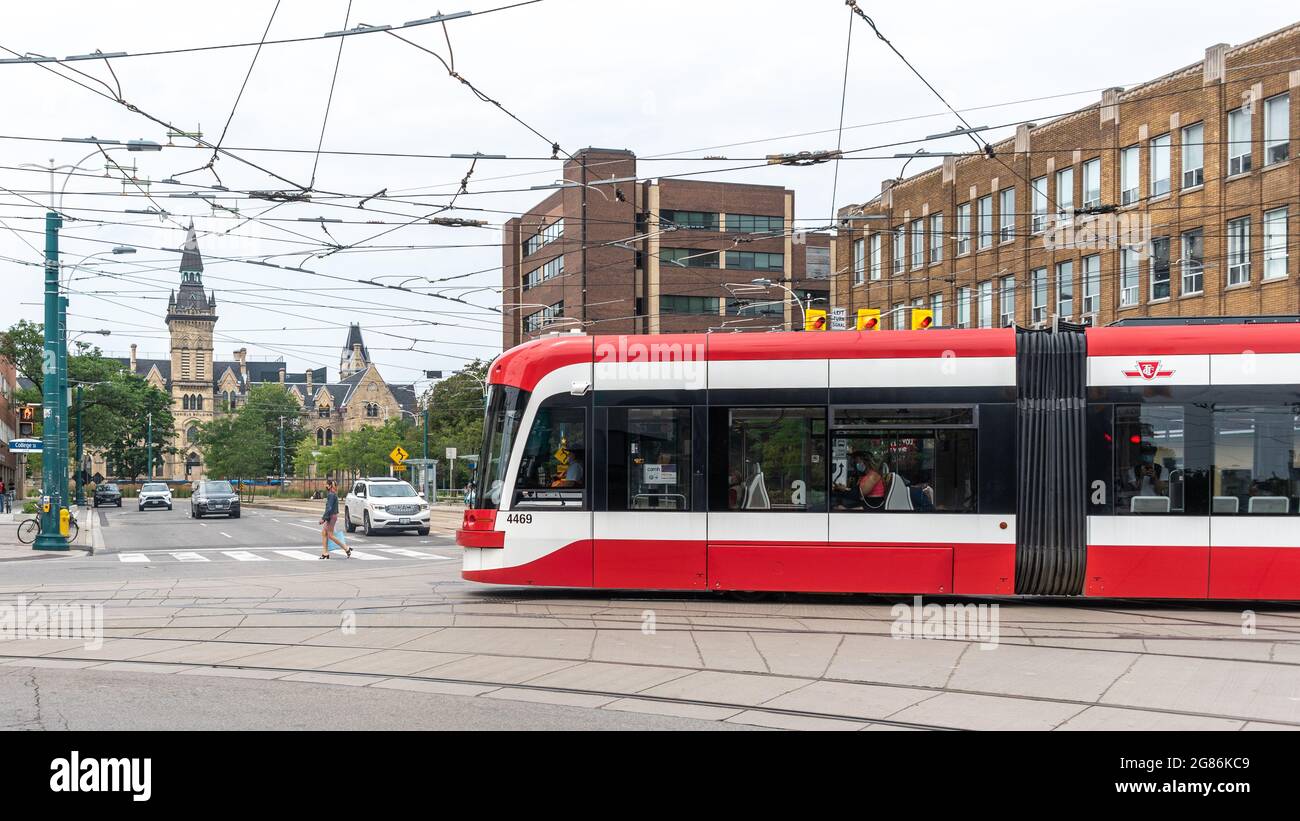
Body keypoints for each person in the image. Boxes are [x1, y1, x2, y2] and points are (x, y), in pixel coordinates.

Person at [319, 479, 350, 559]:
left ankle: (346, 548)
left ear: (329, 486)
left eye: (327, 484)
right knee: (324, 533)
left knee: (330, 535)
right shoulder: (333, 494)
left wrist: (324, 518)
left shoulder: (331, 495)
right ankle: (325, 553)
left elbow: (329, 508)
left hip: (331, 516)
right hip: (332, 516)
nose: (325, 486)